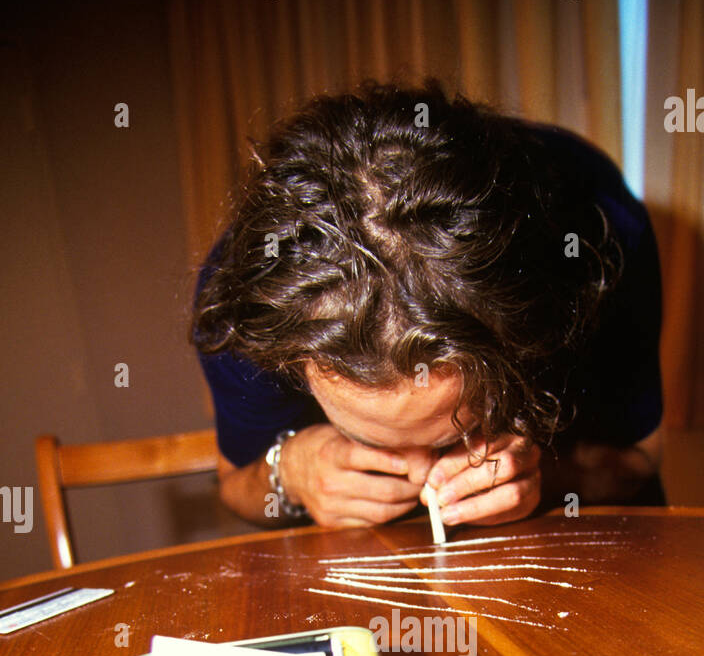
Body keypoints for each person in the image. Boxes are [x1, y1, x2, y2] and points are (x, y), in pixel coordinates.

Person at [190, 79, 665, 532]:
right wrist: (288, 474)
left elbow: (639, 461)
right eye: (369, 437)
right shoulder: (252, 295)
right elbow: (236, 484)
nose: (421, 479)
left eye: (447, 437)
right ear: (293, 358)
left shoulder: (596, 237)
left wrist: (550, 477)